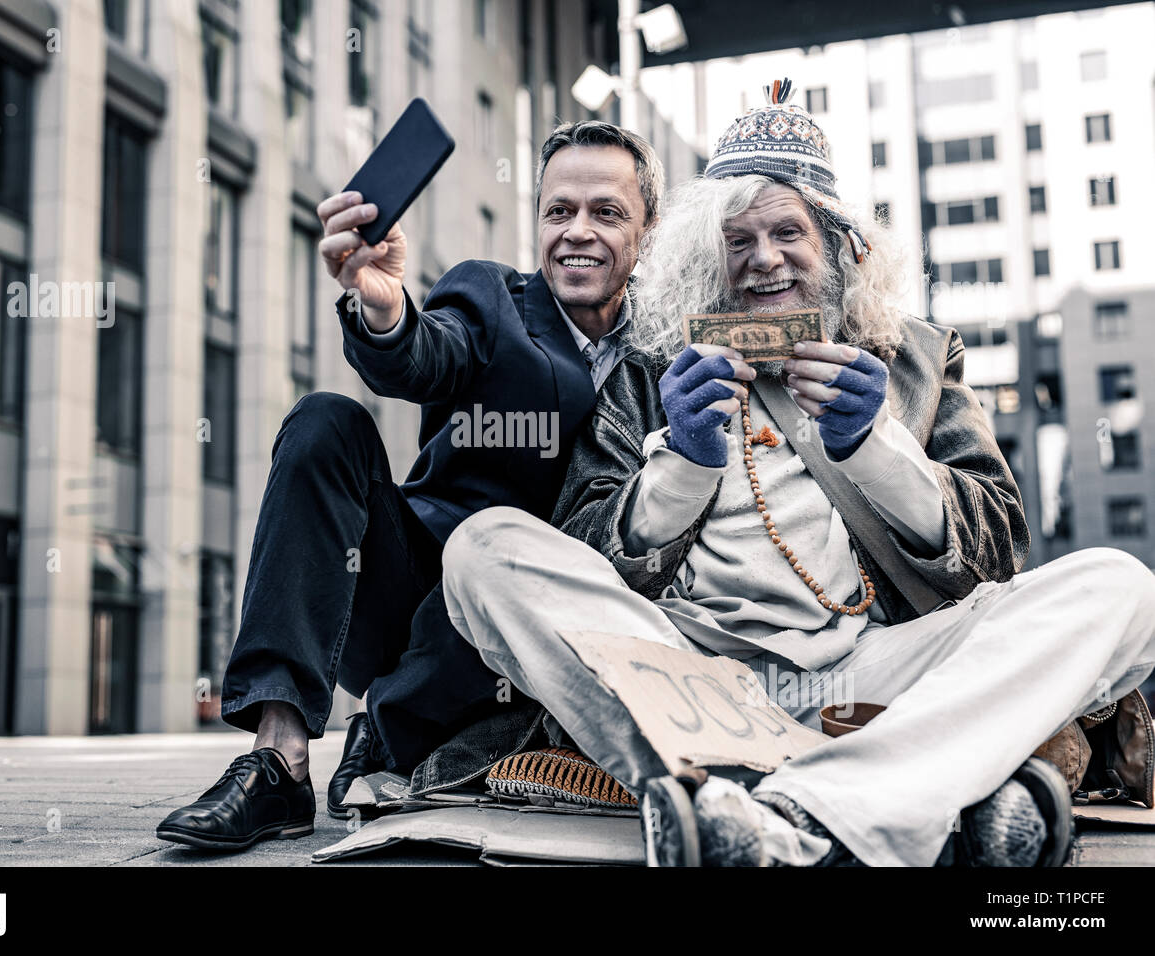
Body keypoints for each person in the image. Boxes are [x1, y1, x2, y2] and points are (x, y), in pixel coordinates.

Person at [440, 81, 1155, 867]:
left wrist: (874, 449)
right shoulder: (649, 367)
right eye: (737, 241)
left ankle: (776, 810)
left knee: (1121, 587)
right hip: (686, 676)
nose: (764, 260)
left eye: (788, 232)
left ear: (842, 249)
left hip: (870, 677)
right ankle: (888, 794)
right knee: (484, 547)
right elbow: (585, 547)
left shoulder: (916, 355)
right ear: (708, 258)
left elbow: (997, 553)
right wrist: (681, 463)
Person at [155, 121, 664, 850]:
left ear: (647, 231)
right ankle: (278, 760)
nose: (577, 232)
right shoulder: (495, 299)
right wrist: (386, 309)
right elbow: (427, 354)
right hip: (409, 590)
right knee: (324, 421)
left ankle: (391, 730)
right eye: (559, 211)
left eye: (606, 213)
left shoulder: (669, 354)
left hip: (528, 642)